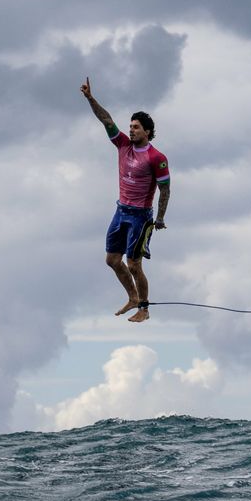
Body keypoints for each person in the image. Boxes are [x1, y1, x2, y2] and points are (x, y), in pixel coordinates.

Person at [80, 77, 170, 323]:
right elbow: (106, 120)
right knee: (112, 260)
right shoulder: (122, 145)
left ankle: (144, 308)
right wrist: (90, 98)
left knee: (133, 264)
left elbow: (165, 189)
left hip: (141, 216)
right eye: (130, 126)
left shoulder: (156, 157)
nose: (131, 130)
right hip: (121, 211)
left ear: (147, 131)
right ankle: (132, 297)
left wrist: (160, 218)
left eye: (136, 127)